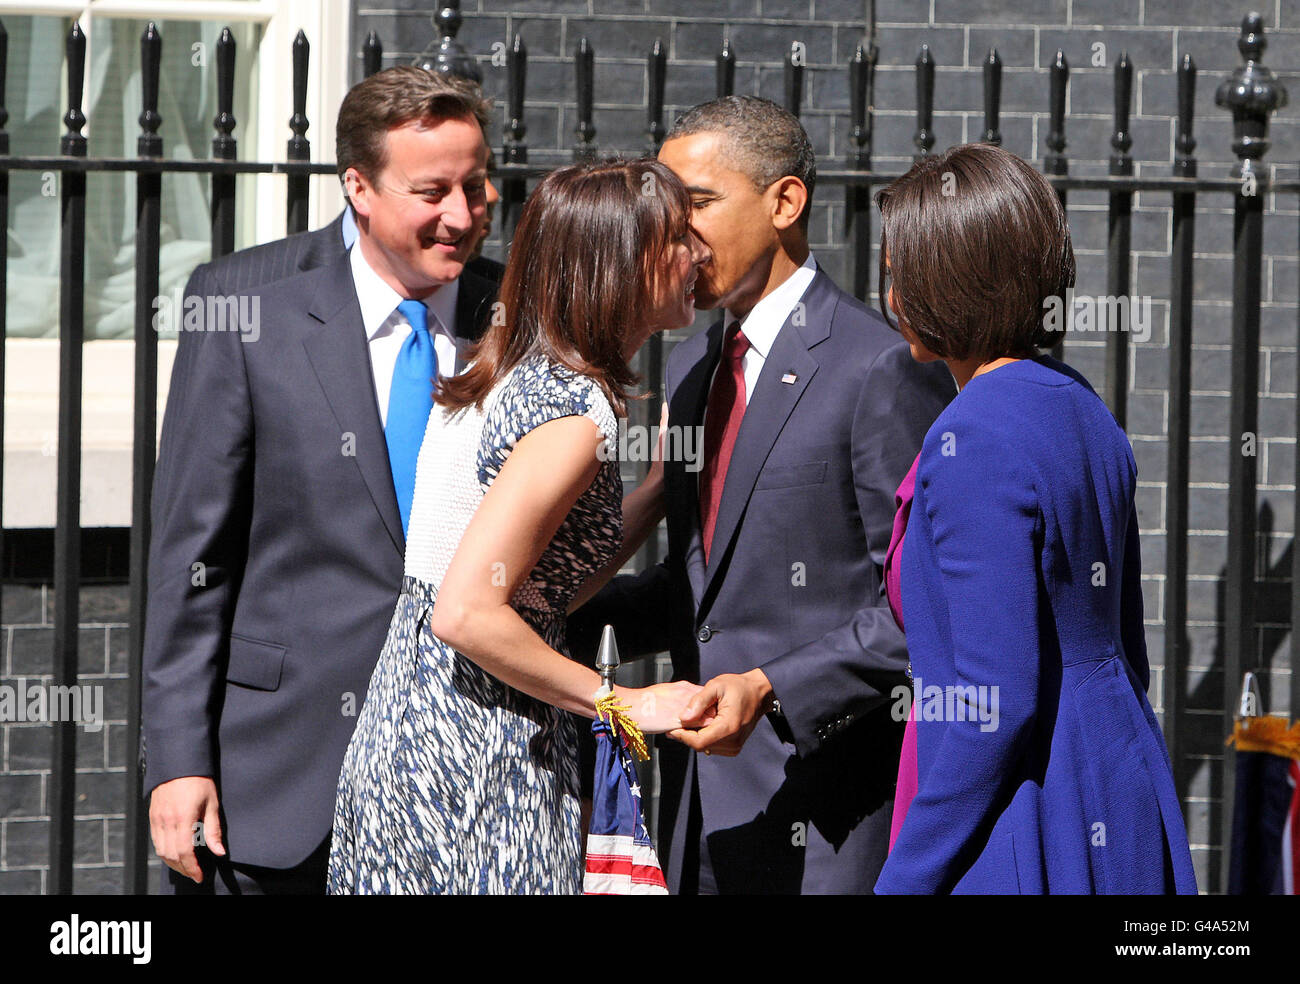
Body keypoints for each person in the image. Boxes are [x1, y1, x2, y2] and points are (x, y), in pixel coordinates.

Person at [568, 96, 955, 894]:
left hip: (828, 814)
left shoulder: (877, 367)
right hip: (698, 814)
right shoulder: (693, 372)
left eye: (699, 204)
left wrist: (771, 690)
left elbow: (921, 607)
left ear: (784, 202)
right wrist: (539, 618)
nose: (675, 234)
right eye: (667, 211)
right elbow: (706, 588)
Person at [142, 67, 496, 894]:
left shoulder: (520, 312)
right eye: (432, 190)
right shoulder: (242, 304)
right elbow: (193, 553)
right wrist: (178, 760)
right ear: (358, 188)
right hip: (280, 780)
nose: (462, 215)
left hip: (469, 776)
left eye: (477, 188)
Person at [327, 158, 709, 895]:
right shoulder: (573, 412)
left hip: (413, 726)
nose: (697, 256)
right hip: (478, 749)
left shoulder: (505, 367)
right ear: (622, 264)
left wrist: (658, 491)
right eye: (676, 240)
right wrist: (624, 703)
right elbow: (467, 611)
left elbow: (537, 581)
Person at [873, 142, 1197, 894]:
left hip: (1024, 805)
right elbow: (1124, 644)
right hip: (1113, 778)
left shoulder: (974, 438)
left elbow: (995, 704)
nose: (890, 298)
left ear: (946, 283)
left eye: (900, 275)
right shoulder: (1077, 401)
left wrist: (908, 875)